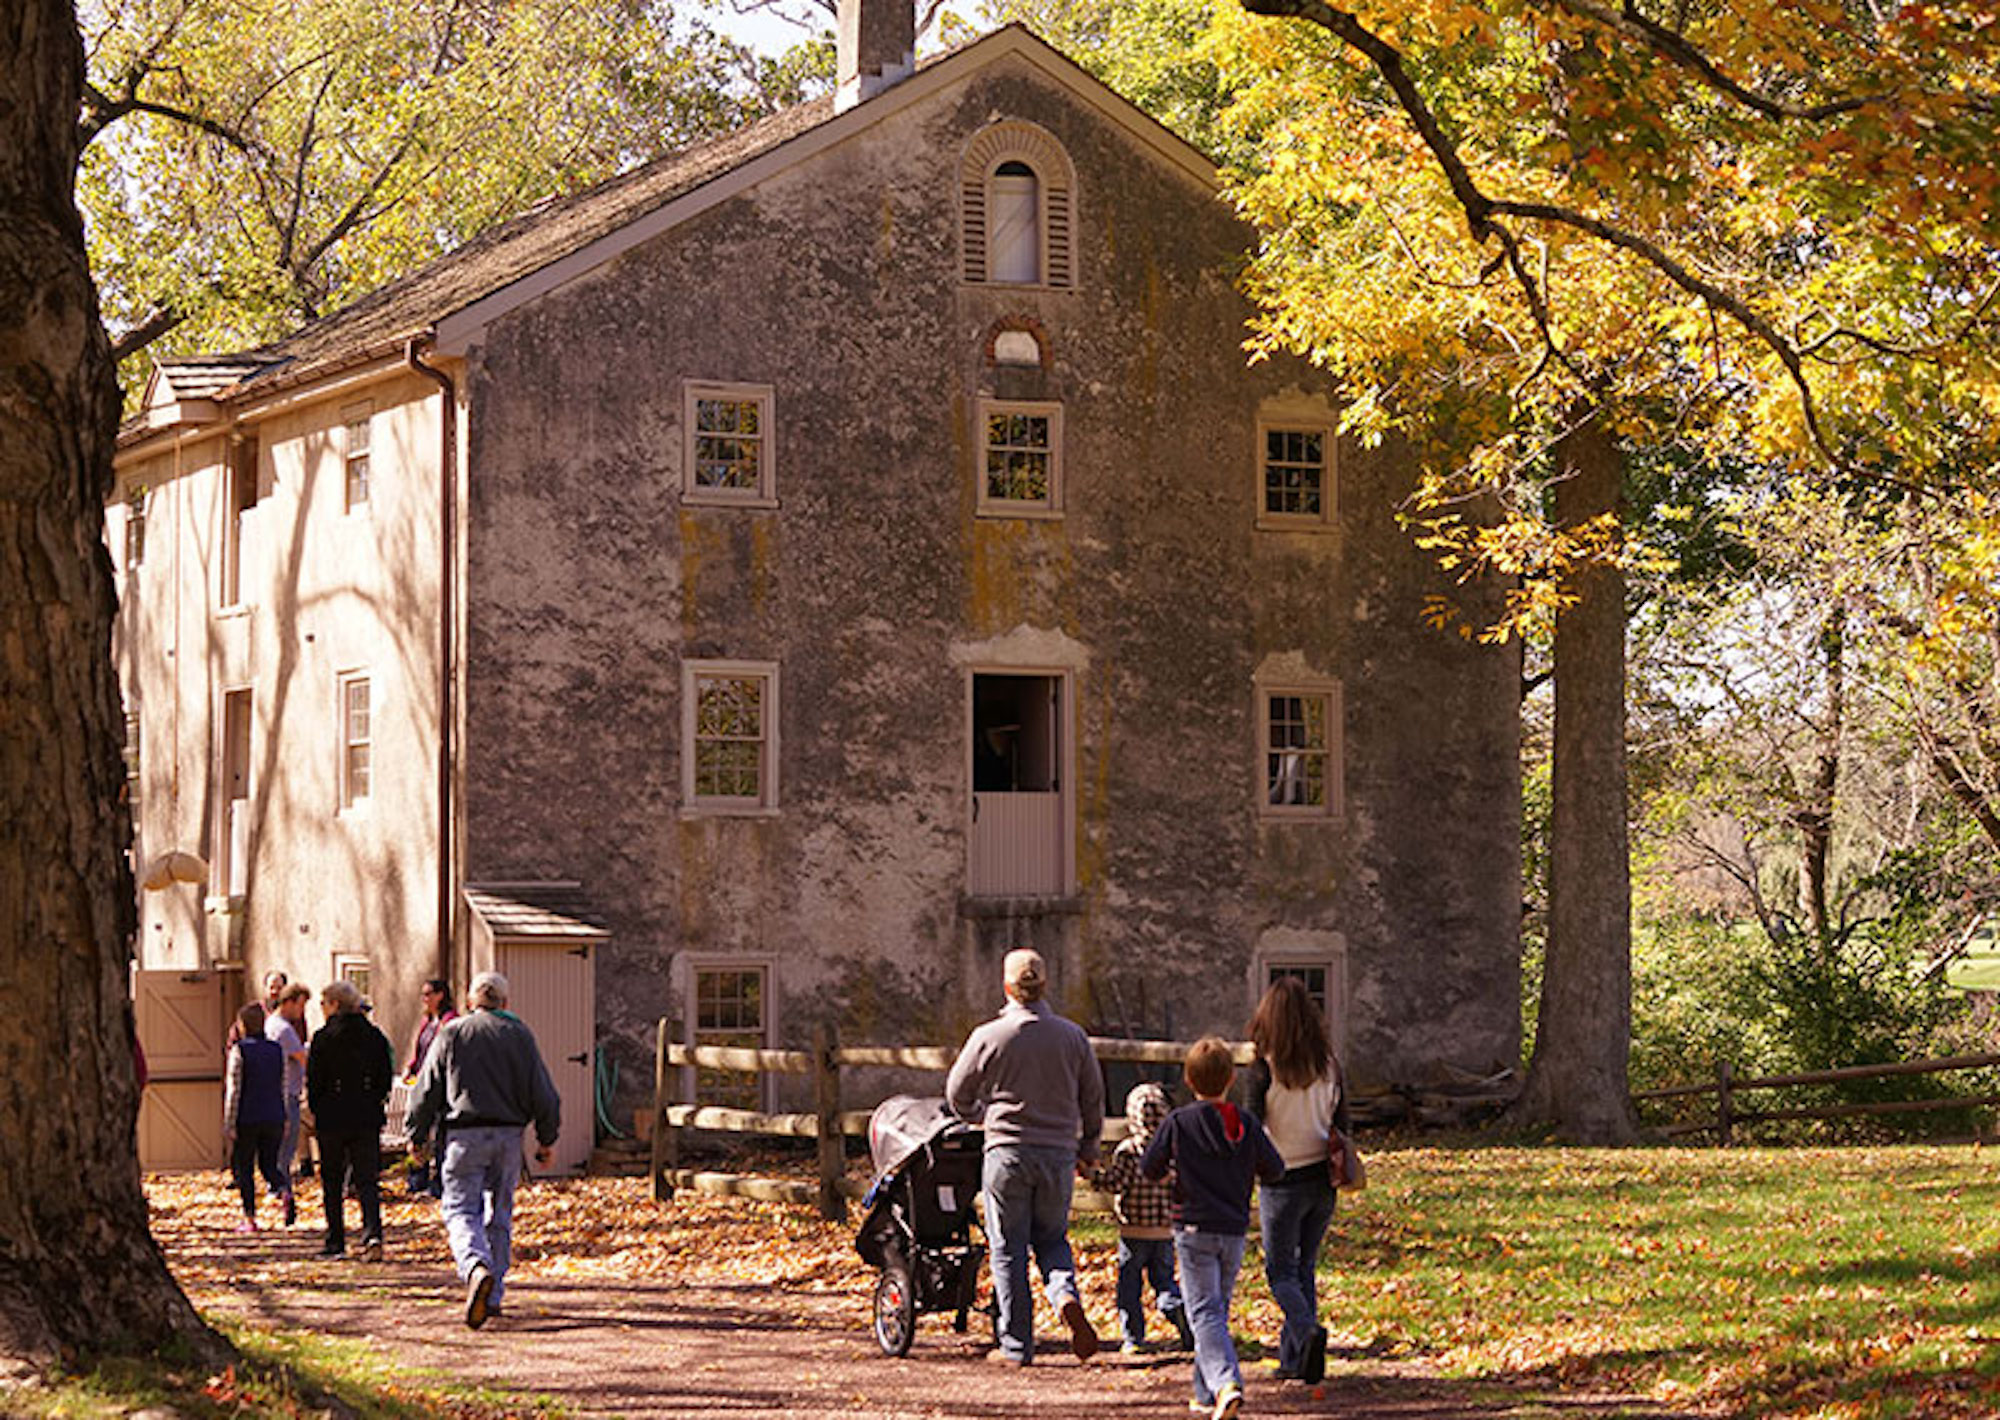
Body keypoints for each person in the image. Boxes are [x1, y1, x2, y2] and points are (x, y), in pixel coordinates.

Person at [945, 947, 1104, 1365]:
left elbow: (956, 1092)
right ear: (1045, 985)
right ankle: (1065, 1296)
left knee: (1008, 1248)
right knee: (1052, 1240)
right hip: (1057, 1153)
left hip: (1007, 1152)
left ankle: (1016, 1344)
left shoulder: (989, 1036)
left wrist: (981, 1117)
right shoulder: (1073, 1037)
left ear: (1007, 986)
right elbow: (1092, 1097)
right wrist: (1088, 1147)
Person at [405, 970, 561, 1329]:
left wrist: (417, 1135)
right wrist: (546, 1140)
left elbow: (426, 1089)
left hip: (463, 1135)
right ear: (505, 1002)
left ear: (471, 1000)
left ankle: (475, 1266)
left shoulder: (453, 1033)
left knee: (460, 1208)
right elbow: (544, 1093)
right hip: (508, 1137)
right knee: (499, 1213)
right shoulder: (520, 1035)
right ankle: (493, 1294)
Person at [1140, 1036, 1284, 1420]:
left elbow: (1149, 1167)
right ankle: (1204, 1394)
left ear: (1189, 1080)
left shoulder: (1178, 1122)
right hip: (1233, 1227)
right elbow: (1275, 1168)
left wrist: (1173, 1171)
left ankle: (1225, 1383)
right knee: (1216, 1309)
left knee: (1203, 1311)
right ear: (1231, 1080)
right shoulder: (1246, 1124)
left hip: (1192, 1226)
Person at [1247, 975, 1350, 1385]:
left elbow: (1253, 1127)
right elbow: (1343, 1123)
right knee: (1304, 1266)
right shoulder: (1329, 1066)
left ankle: (1306, 1331)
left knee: (1280, 1272)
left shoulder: (1263, 1069)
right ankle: (1296, 1359)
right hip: (1322, 1178)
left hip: (1281, 1178)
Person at [1087, 1081, 1194, 1355]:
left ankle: (1134, 1338)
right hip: (1165, 1231)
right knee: (1165, 1282)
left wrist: (1092, 1176)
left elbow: (1116, 1183)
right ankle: (1179, 1313)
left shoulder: (1129, 1151)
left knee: (1129, 1287)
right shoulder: (1173, 1150)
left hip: (1133, 1232)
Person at [308, 979, 395, 1261]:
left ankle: (336, 1240)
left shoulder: (324, 1038)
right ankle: (372, 1233)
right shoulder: (374, 1036)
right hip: (366, 1114)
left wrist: (317, 1108)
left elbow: (315, 1080)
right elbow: (385, 1076)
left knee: (332, 1180)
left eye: (323, 1003)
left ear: (334, 1005)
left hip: (333, 1115)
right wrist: (375, 1099)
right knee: (367, 1179)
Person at [221, 1002, 288, 1233]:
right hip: (274, 1115)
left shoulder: (240, 1050)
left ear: (242, 1025)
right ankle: (283, 1189)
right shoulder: (276, 1050)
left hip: (247, 1116)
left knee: (245, 1168)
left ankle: (249, 1217)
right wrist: (285, 1116)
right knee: (269, 1164)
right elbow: (283, 1084)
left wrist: (229, 1122)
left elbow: (234, 1089)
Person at [403, 978, 459, 1195]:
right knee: (419, 1128)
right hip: (422, 1082)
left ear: (440, 995)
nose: (424, 999)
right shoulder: (427, 1021)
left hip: (441, 1085)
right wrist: (411, 1068)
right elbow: (420, 1050)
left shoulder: (449, 1021)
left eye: (428, 994)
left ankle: (438, 1182)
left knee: (438, 1134)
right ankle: (417, 1178)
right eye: (423, 994)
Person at [266, 981, 311, 1221]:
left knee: (280, 1150)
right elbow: (302, 1059)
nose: (302, 1012)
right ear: (289, 1002)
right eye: (301, 1005)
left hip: (276, 1094)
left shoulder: (271, 1025)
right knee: (286, 1151)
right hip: (287, 1096)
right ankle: (283, 1193)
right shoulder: (283, 1029)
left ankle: (280, 1191)